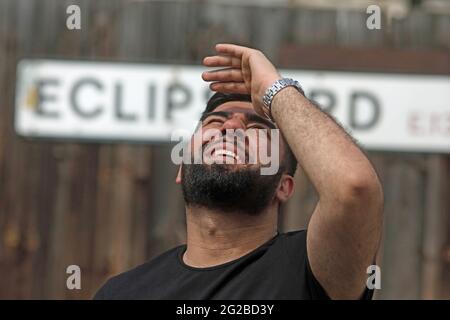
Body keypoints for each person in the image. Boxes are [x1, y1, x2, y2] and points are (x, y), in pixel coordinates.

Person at [94, 44, 383, 300]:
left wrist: (275, 89)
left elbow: (354, 188)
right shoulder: (122, 292)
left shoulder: (310, 269)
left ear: (284, 186)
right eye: (214, 122)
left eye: (256, 128)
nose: (230, 129)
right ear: (182, 167)